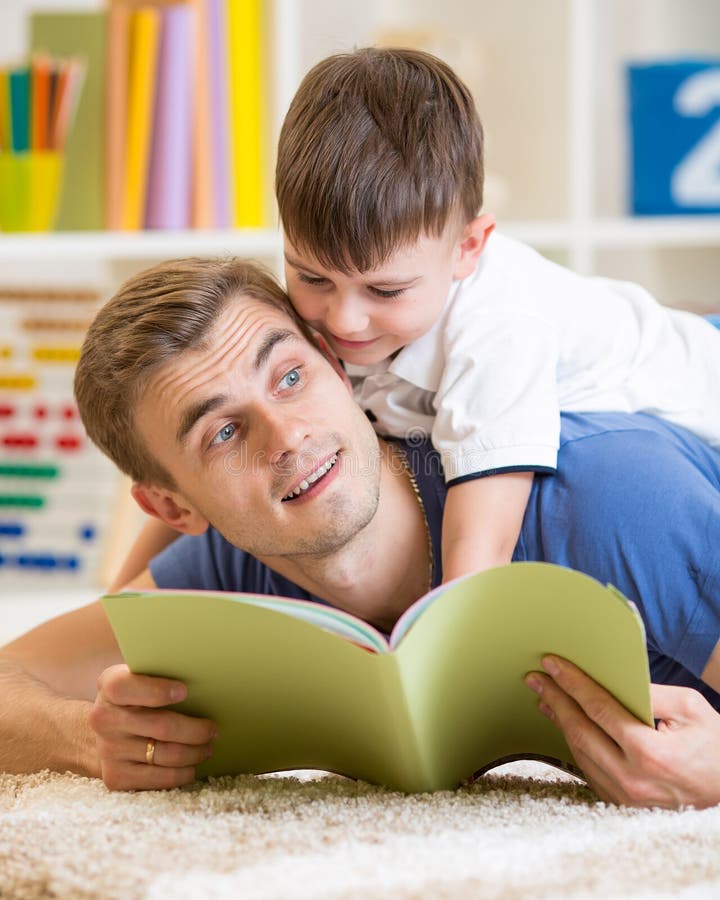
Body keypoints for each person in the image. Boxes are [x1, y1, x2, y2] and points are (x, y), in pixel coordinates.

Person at [2, 257, 720, 809]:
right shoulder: (230, 568)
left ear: (338, 369)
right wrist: (83, 739)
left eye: (289, 378)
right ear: (172, 508)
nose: (289, 436)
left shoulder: (615, 496)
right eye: (223, 431)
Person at [274, 46, 720, 585]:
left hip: (698, 379)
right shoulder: (346, 304)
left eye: (386, 291)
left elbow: (482, 538)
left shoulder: (498, 328)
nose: (343, 321)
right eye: (313, 277)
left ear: (468, 247)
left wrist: (445, 643)